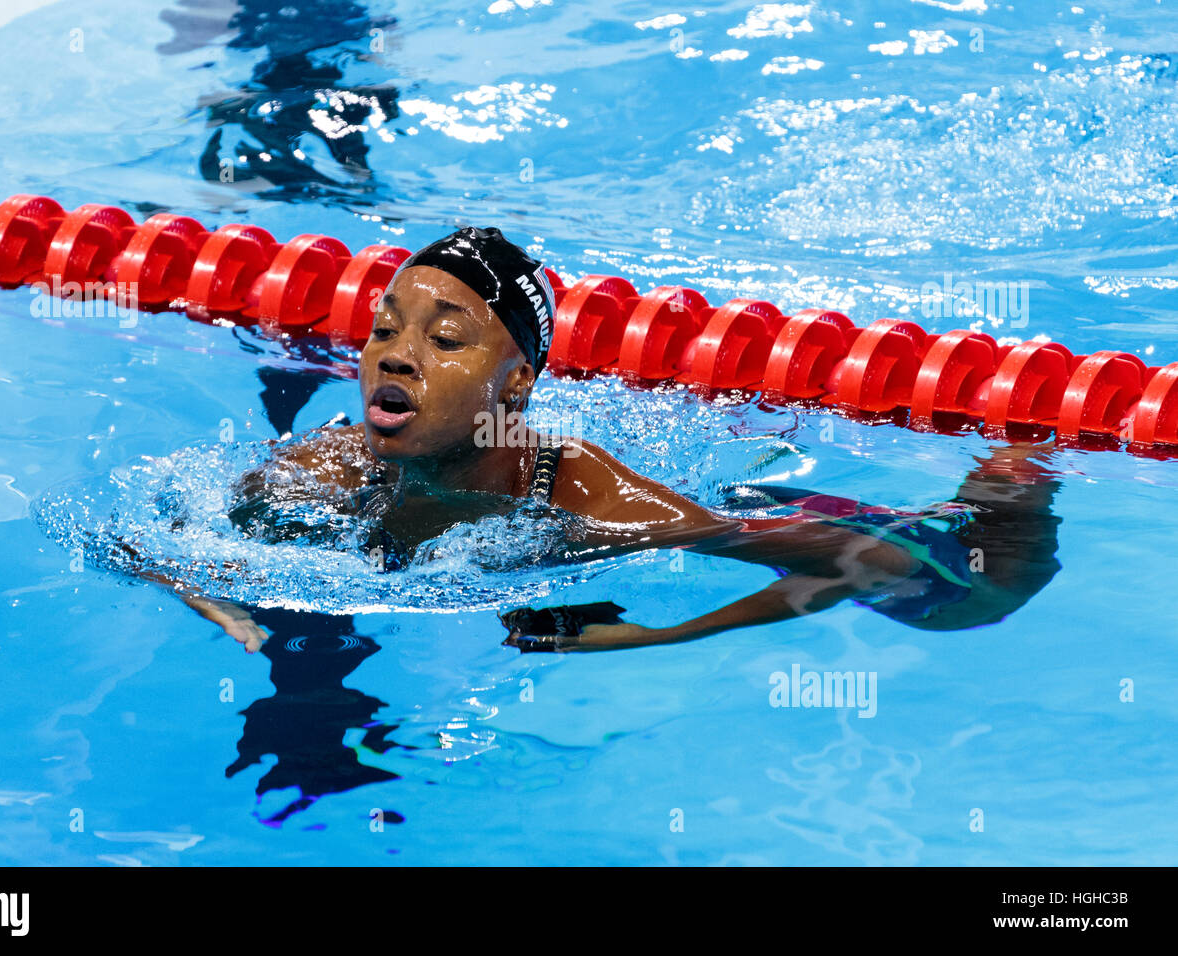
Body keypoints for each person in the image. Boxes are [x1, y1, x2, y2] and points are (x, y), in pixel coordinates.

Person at [177, 226, 1063, 653]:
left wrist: (657, 639)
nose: (396, 359)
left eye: (445, 340)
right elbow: (154, 532)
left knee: (990, 575)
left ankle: (1017, 460)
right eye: (382, 329)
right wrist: (200, 586)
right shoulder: (328, 465)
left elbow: (864, 561)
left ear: (515, 383)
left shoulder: (588, 499)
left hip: (954, 575)